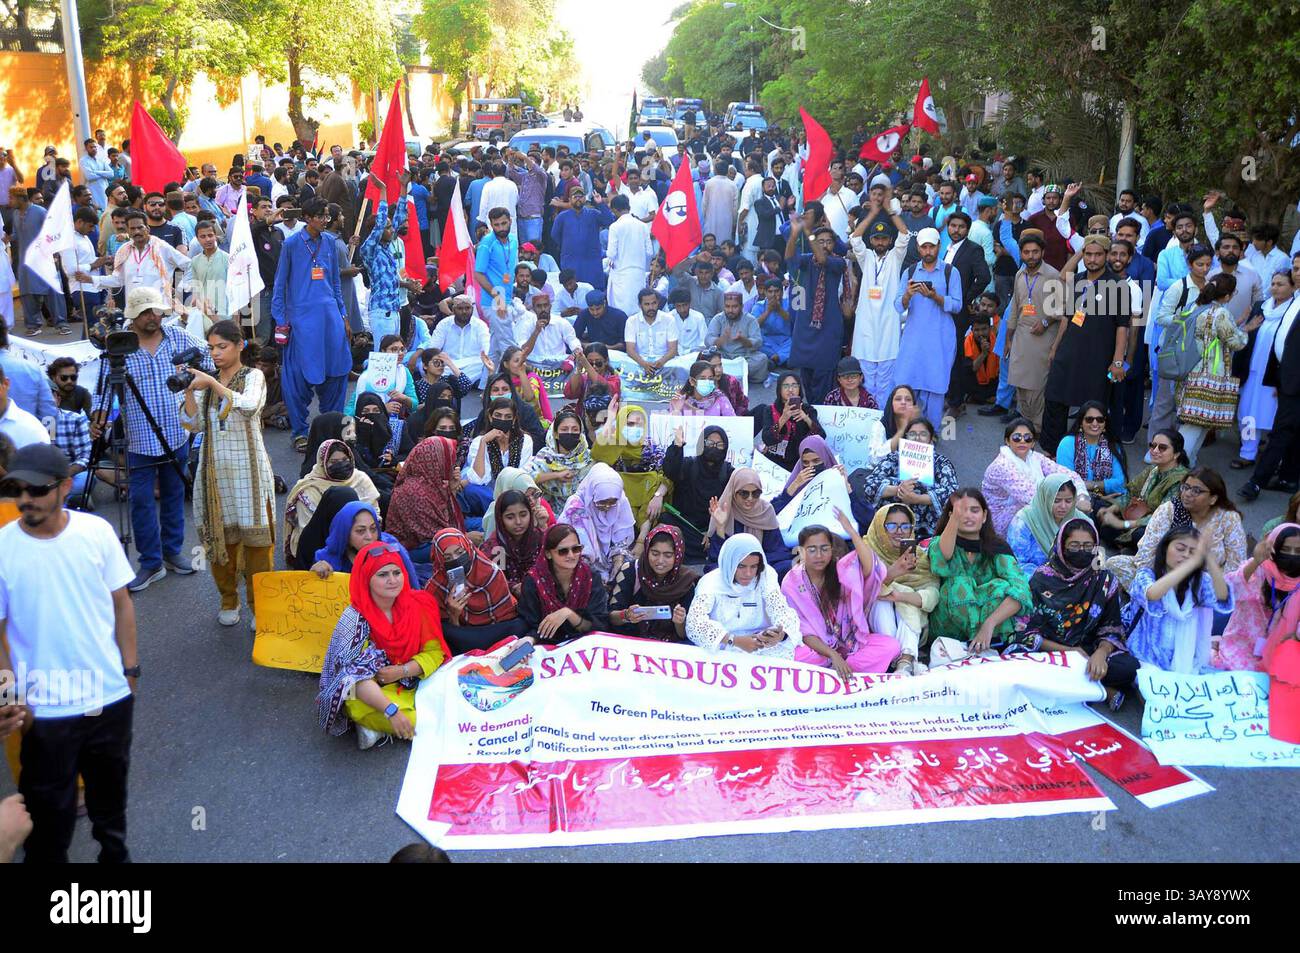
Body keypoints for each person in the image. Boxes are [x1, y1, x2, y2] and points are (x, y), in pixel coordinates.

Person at [0, 444, 137, 862]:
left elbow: (122, 603)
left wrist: (129, 673)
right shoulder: (3, 546)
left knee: (110, 805)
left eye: (37, 490)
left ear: (64, 487)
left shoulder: (94, 532)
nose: (25, 499)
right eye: (16, 489)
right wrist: (9, 697)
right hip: (45, 711)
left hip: (109, 700)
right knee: (47, 821)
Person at [112, 286, 213, 591]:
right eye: (145, 312)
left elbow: (208, 359)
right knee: (141, 502)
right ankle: (150, 563)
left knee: (172, 497)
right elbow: (105, 389)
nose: (152, 316)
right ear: (133, 317)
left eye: (155, 310)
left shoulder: (178, 337)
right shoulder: (121, 347)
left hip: (176, 434)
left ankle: (172, 552)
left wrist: (195, 380)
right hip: (139, 441)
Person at [179, 321, 276, 627]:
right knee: (223, 541)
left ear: (239, 346)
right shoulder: (207, 384)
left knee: (257, 544)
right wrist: (190, 392)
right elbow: (192, 425)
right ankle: (228, 599)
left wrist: (212, 384)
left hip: (250, 473)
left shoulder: (253, 376)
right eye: (211, 348)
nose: (216, 353)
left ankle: (261, 608)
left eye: (222, 346)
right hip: (215, 473)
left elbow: (248, 407)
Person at [317, 541, 451, 749]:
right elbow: (351, 677)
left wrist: (402, 671)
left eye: (397, 573)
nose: (392, 580)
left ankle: (376, 729)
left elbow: (435, 653)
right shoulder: (355, 619)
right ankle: (388, 723)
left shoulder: (420, 604)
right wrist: (391, 711)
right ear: (366, 579)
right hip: (372, 691)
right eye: (382, 575)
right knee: (354, 701)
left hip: (415, 678)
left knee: (456, 703)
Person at [1018, 518, 1137, 707]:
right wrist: (1070, 651)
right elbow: (1027, 632)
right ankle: (1101, 691)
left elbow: (1112, 626)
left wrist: (1101, 652)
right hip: (1052, 651)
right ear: (1061, 547)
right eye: (1074, 545)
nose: (1082, 551)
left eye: (1088, 546)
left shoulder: (1104, 579)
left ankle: (1074, 687)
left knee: (1128, 668)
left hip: (1089, 649)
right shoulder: (1042, 578)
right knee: (1023, 665)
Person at [782, 511, 903, 677]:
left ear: (831, 550)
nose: (819, 555)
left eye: (824, 549)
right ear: (801, 551)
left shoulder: (843, 569)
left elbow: (871, 570)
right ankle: (839, 669)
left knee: (891, 646)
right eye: (812, 550)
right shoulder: (792, 582)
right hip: (817, 650)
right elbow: (803, 631)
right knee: (795, 658)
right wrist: (832, 655)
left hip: (851, 644)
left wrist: (852, 532)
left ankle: (840, 670)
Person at [272, 199, 352, 449]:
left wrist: (343, 315)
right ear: (307, 217)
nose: (325, 220)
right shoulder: (292, 244)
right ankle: (300, 432)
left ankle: (331, 429)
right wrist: (281, 320)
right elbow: (279, 284)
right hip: (301, 323)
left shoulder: (329, 241)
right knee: (296, 380)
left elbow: (335, 282)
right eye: (320, 216)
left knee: (337, 374)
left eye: (327, 216)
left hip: (331, 321)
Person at [1105, 468, 1248, 593]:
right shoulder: (1170, 509)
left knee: (1232, 587)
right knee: (1115, 563)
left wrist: (1205, 586)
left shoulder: (1228, 518)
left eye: (1196, 490)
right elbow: (1146, 555)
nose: (1187, 494)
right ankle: (1160, 602)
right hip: (1164, 578)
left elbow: (1236, 565)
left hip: (1205, 586)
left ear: (1213, 499)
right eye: (1185, 487)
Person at [927, 488, 1032, 658]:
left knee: (1002, 586)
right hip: (950, 629)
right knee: (959, 583)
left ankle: (981, 645)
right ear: (951, 516)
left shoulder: (998, 547)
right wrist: (954, 518)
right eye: (961, 511)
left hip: (990, 635)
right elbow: (942, 560)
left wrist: (988, 625)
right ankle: (972, 648)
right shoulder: (939, 544)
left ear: (984, 516)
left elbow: (1021, 590)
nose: (967, 516)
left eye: (974, 510)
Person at [1123, 528, 1233, 674]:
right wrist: (1189, 564)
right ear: (1165, 548)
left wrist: (1209, 559)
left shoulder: (1200, 581)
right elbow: (1152, 594)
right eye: (1180, 549)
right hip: (1146, 656)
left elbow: (1222, 596)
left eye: (1193, 552)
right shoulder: (1146, 574)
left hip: (1185, 658)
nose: (1186, 555)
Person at [1167, 273, 1248, 466]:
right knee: (1195, 424)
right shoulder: (1221, 313)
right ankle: (1174, 465)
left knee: (1196, 421)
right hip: (1210, 375)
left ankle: (1187, 463)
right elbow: (1236, 342)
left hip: (1187, 370)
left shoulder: (1194, 308)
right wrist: (1246, 330)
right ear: (1227, 296)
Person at [686, 533, 801, 657]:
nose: (748, 573)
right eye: (741, 566)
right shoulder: (710, 582)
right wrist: (735, 641)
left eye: (754, 566)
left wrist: (780, 635)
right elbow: (694, 624)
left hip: (761, 645)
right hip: (722, 646)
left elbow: (782, 611)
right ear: (730, 563)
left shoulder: (765, 576)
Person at [981, 417, 1087, 536]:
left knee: (1079, 516)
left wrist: (1082, 496)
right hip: (999, 521)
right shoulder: (1002, 465)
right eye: (1016, 437)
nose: (1022, 441)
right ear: (1007, 441)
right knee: (1064, 514)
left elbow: (1068, 475)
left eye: (1027, 438)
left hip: (1029, 509)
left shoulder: (1035, 457)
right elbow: (1032, 498)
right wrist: (1070, 504)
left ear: (1033, 443)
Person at [865, 504, 939, 675]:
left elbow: (933, 594)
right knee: (880, 597)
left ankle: (905, 660)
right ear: (879, 527)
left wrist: (901, 596)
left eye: (905, 526)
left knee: (907, 598)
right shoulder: (866, 553)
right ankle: (903, 659)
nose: (899, 531)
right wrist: (891, 574)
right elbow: (860, 594)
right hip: (876, 626)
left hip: (912, 627)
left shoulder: (920, 556)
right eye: (891, 525)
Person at [1233, 271, 1295, 469]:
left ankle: (1276, 459)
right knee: (1247, 414)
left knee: (1274, 417)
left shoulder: (1293, 312)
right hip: (1251, 371)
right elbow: (1245, 335)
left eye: (1281, 284)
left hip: (1275, 375)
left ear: (1293, 287)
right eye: (1273, 283)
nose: (1274, 288)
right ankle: (1247, 452)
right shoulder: (1261, 307)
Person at [425, 527, 523, 654]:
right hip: (463, 635)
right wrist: (454, 615)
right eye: (447, 557)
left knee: (519, 626)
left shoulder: (490, 573)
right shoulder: (436, 587)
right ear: (440, 560)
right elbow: (444, 631)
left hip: (495, 630)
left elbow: (506, 615)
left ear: (468, 549)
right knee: (446, 633)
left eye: (460, 552)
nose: (456, 559)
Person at [284, 440, 379, 569]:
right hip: (323, 544)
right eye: (334, 463)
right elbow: (307, 529)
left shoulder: (360, 479)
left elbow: (375, 515)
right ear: (323, 464)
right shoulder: (310, 489)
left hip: (359, 541)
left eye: (345, 460)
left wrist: (365, 532)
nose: (341, 465)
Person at [849, 207, 911, 405]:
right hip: (866, 325)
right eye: (877, 239)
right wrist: (872, 214)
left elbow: (905, 235)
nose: (880, 242)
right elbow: (855, 238)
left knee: (885, 382)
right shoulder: (865, 257)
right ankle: (866, 422)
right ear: (872, 240)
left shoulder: (895, 257)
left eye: (884, 239)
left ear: (890, 241)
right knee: (865, 380)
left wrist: (890, 211)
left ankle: (882, 421)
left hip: (888, 324)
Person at [1218, 524, 1300, 672]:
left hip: (1283, 650)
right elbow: (1228, 590)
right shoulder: (1260, 568)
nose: (1292, 555)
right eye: (1285, 550)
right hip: (1242, 647)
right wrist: (1256, 562)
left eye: (1298, 551)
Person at [1094, 428, 1191, 550]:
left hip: (1159, 526)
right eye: (1153, 445)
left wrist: (1122, 524)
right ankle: (1121, 542)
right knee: (1098, 506)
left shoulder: (1181, 480)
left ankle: (1122, 542)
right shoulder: (1153, 469)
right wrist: (1111, 509)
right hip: (1137, 515)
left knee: (1139, 535)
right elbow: (1130, 493)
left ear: (1176, 454)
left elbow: (1163, 518)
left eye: (1162, 448)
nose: (1155, 451)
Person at [784, 222, 848, 400]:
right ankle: (810, 415)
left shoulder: (838, 262)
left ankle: (823, 419)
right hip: (806, 327)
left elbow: (823, 259)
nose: (825, 245)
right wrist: (795, 234)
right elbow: (790, 257)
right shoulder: (807, 260)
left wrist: (808, 232)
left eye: (829, 241)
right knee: (807, 378)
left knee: (825, 380)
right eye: (821, 241)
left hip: (829, 328)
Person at [517, 523, 609, 644]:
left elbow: (599, 625)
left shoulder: (591, 577)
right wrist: (529, 639)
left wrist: (568, 614)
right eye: (563, 551)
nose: (571, 555)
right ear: (548, 554)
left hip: (585, 645)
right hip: (547, 647)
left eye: (576, 549)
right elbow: (529, 623)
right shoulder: (533, 581)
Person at [607, 524, 699, 642]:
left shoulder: (686, 581)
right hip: (629, 642)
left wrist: (679, 622)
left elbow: (685, 634)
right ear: (646, 551)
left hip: (667, 647)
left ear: (678, 555)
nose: (660, 561)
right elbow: (610, 617)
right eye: (655, 553)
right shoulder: (631, 570)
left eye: (668, 555)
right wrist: (626, 615)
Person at [386, 436, 465, 562]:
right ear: (435, 459)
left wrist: (452, 489)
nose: (452, 463)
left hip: (432, 539)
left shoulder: (432, 481)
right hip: (412, 549)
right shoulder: (413, 491)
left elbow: (448, 518)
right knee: (459, 548)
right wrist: (465, 539)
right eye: (448, 458)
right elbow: (432, 535)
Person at [662, 424, 735, 561]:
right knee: (666, 520)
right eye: (709, 443)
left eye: (719, 445)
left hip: (715, 526)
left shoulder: (728, 471)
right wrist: (677, 446)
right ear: (702, 444)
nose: (714, 447)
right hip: (687, 527)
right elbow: (671, 471)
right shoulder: (690, 464)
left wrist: (713, 530)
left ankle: (704, 548)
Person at [590, 401, 668, 525]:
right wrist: (610, 420)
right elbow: (597, 455)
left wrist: (658, 496)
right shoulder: (614, 445)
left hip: (647, 510)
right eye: (630, 424)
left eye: (639, 424)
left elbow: (667, 476)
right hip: (614, 507)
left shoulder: (653, 448)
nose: (635, 429)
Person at [705, 466, 792, 575]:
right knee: (714, 572)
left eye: (755, 493)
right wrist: (720, 526)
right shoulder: (724, 511)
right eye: (744, 494)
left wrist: (755, 563)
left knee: (788, 566)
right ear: (734, 492)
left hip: (761, 566)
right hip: (733, 566)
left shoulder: (765, 510)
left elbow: (777, 550)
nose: (750, 499)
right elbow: (718, 555)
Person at [560, 462, 638, 584]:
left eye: (612, 502)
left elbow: (622, 541)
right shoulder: (576, 507)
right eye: (602, 502)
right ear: (592, 493)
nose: (607, 507)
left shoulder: (620, 502)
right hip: (582, 563)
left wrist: (618, 561)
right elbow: (578, 549)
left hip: (611, 562)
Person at [1006, 474, 1085, 577]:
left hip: (1072, 576)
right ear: (1045, 498)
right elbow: (1015, 564)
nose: (1063, 506)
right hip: (1036, 579)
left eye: (1068, 501)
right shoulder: (1024, 522)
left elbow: (1091, 554)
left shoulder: (1079, 519)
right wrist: (1049, 577)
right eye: (1056, 501)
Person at [1056, 401, 1128, 512]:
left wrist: (1089, 485)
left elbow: (1120, 483)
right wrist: (1097, 494)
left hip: (1108, 503)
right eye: (1089, 419)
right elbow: (1066, 482)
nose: (1095, 423)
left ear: (1105, 423)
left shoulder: (1113, 446)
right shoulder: (1068, 444)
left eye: (1100, 420)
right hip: (1076, 502)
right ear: (1081, 422)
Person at [752, 372, 825, 470]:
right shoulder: (770, 410)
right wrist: (783, 418)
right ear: (779, 389)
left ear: (799, 388)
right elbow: (767, 439)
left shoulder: (808, 410)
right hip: (774, 461)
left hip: (801, 462)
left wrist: (806, 419)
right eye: (786, 386)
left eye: (794, 385)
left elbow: (821, 436)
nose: (790, 390)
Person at [309, 501, 403, 577]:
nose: (369, 537)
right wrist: (315, 575)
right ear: (345, 533)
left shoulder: (390, 550)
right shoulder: (326, 560)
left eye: (373, 529)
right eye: (360, 531)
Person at [482, 489, 547, 598]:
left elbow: (550, 565)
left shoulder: (537, 537)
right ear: (500, 518)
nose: (518, 522)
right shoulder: (498, 547)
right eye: (510, 517)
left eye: (523, 515)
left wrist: (544, 526)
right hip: (508, 602)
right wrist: (513, 587)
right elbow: (496, 580)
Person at [527, 406, 594, 508]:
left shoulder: (588, 457)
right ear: (556, 434)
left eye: (575, 429)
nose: (570, 432)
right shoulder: (545, 456)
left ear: (580, 433)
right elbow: (526, 477)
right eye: (564, 429)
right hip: (549, 513)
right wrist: (556, 475)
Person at [464, 396, 535, 488]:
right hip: (489, 491)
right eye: (498, 415)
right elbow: (477, 479)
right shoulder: (479, 441)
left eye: (508, 416)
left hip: (515, 491)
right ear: (490, 417)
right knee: (472, 490)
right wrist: (483, 442)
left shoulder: (525, 440)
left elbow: (522, 474)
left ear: (513, 420)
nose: (502, 419)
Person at [705, 291, 768, 384]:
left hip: (744, 357)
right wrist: (721, 340)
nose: (730, 310)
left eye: (734, 307)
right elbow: (708, 340)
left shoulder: (750, 319)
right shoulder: (718, 319)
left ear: (741, 306)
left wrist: (742, 339)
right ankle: (738, 375)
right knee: (702, 356)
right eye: (727, 306)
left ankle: (724, 375)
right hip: (722, 357)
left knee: (762, 359)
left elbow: (758, 342)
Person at [669, 360, 736, 417]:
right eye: (702, 378)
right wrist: (676, 410)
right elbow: (673, 428)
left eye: (710, 378)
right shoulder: (680, 400)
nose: (707, 381)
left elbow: (733, 423)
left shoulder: (720, 399)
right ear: (692, 381)